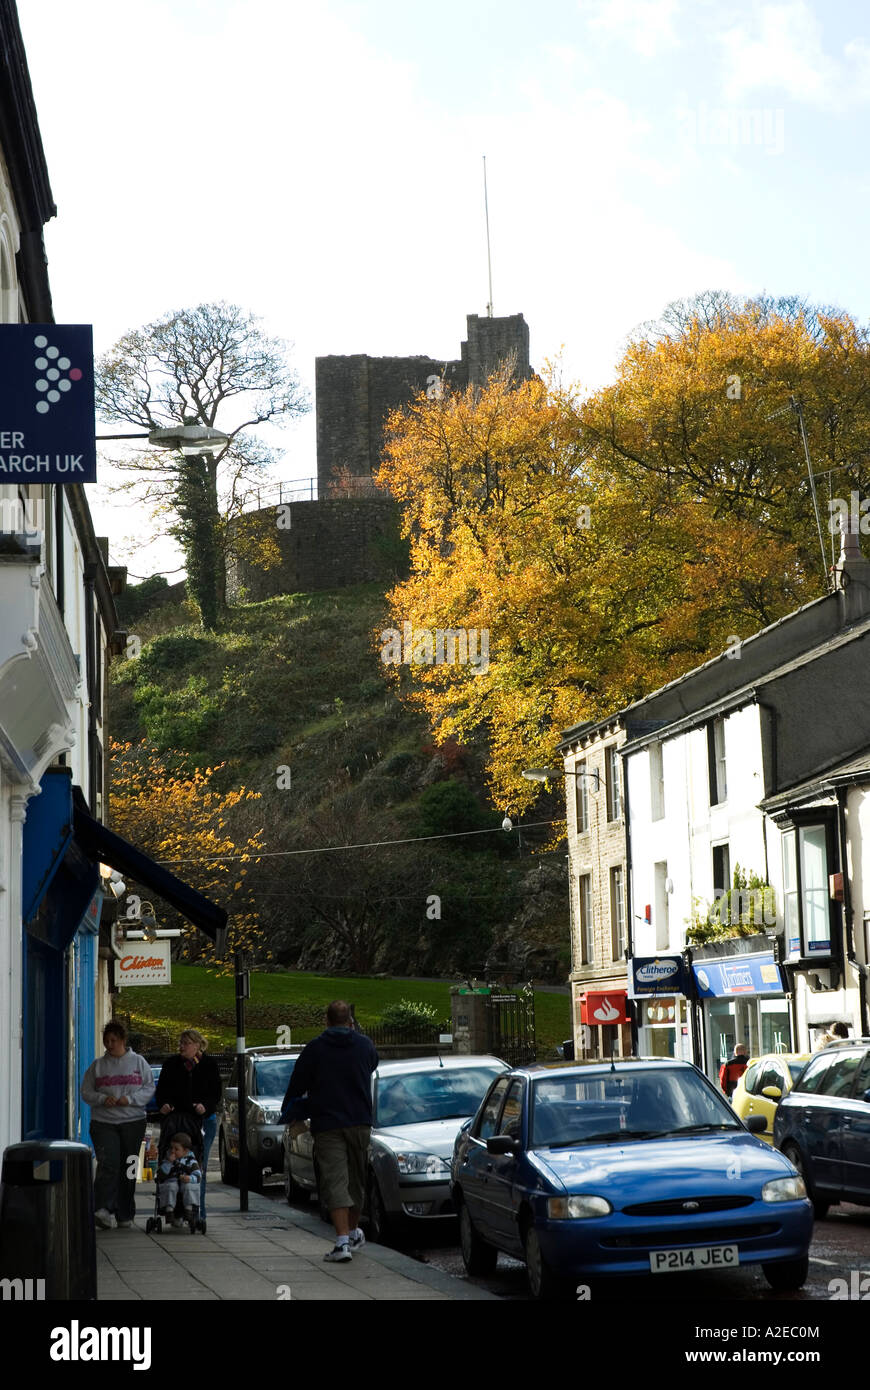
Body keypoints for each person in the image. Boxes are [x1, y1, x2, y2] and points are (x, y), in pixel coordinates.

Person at [282, 1000, 378, 1262]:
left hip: (327, 1124)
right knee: (357, 1180)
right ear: (350, 1021)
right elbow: (371, 1065)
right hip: (359, 1121)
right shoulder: (364, 1045)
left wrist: (290, 1113)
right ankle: (353, 1233)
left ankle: (343, 1241)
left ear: (326, 1020)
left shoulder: (315, 1049)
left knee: (335, 1180)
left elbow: (297, 1082)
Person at [80, 1021, 154, 1230]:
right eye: (106, 1041)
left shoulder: (139, 1063)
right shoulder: (97, 1066)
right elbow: (86, 1091)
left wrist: (130, 1100)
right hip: (105, 1123)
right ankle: (102, 1208)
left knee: (130, 1166)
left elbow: (149, 1088)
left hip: (133, 1121)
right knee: (108, 1163)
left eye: (113, 1040)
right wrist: (102, 1099)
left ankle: (125, 1212)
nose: (109, 1045)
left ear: (123, 1040)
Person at [154, 1029, 222, 1220]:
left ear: (198, 1045)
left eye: (186, 1043)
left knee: (198, 1165)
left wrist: (205, 1106)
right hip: (176, 1121)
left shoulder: (208, 1065)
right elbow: (162, 1092)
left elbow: (215, 1094)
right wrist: (164, 1105)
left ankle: (196, 1212)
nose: (182, 1047)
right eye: (181, 1043)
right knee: (171, 1160)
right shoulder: (172, 1065)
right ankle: (172, 1209)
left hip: (202, 1122)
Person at [156, 1133, 202, 1228]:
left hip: (185, 1184)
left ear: (185, 1151)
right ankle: (169, 1210)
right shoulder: (168, 1160)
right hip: (171, 1183)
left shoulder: (191, 1161)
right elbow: (160, 1175)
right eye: (171, 1148)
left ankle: (189, 1209)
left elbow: (198, 1175)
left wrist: (189, 1178)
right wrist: (169, 1163)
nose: (173, 1151)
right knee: (170, 1186)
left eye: (176, 1149)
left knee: (189, 1186)